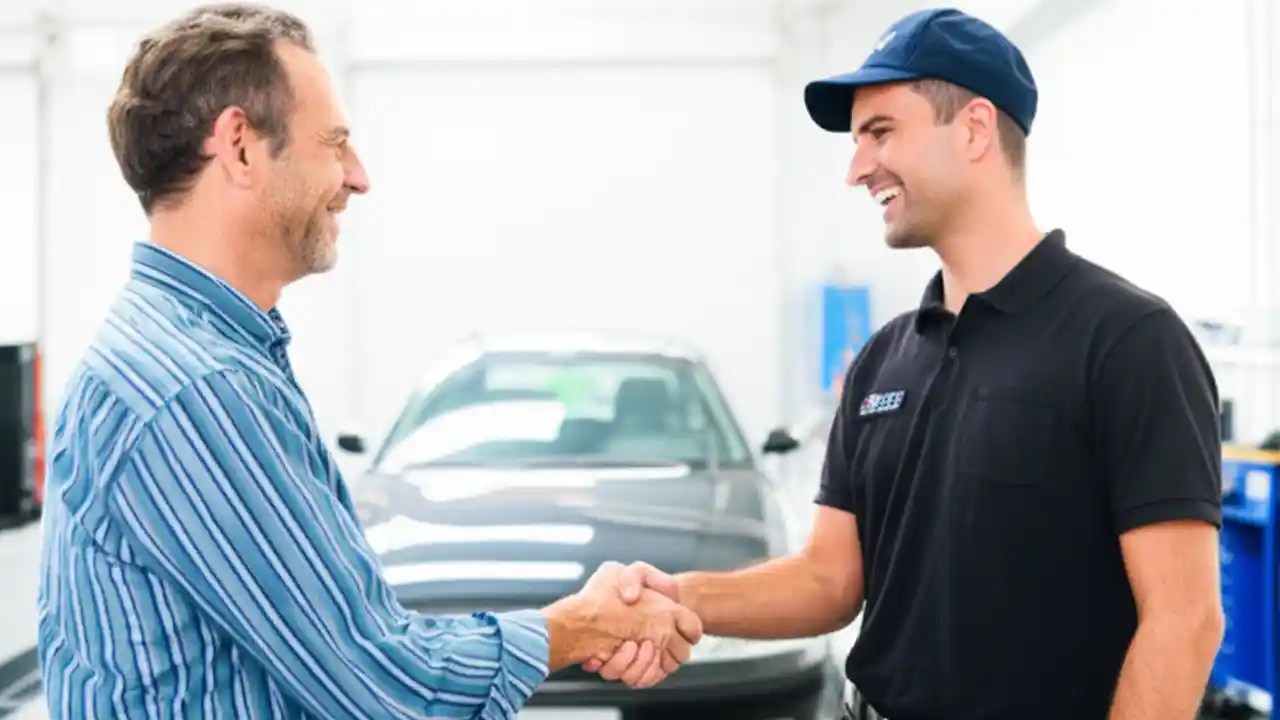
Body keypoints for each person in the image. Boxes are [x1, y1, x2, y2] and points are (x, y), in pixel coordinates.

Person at [35, 4, 699, 718]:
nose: (358, 177)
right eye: (335, 143)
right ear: (241, 147)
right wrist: (580, 625)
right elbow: (385, 688)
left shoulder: (184, 353)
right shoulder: (198, 390)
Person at [588, 7, 1226, 719]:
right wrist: (677, 597)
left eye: (881, 133)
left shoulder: (1127, 340)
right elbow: (830, 580)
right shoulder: (883, 362)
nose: (857, 169)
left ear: (975, 129)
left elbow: (1184, 620)